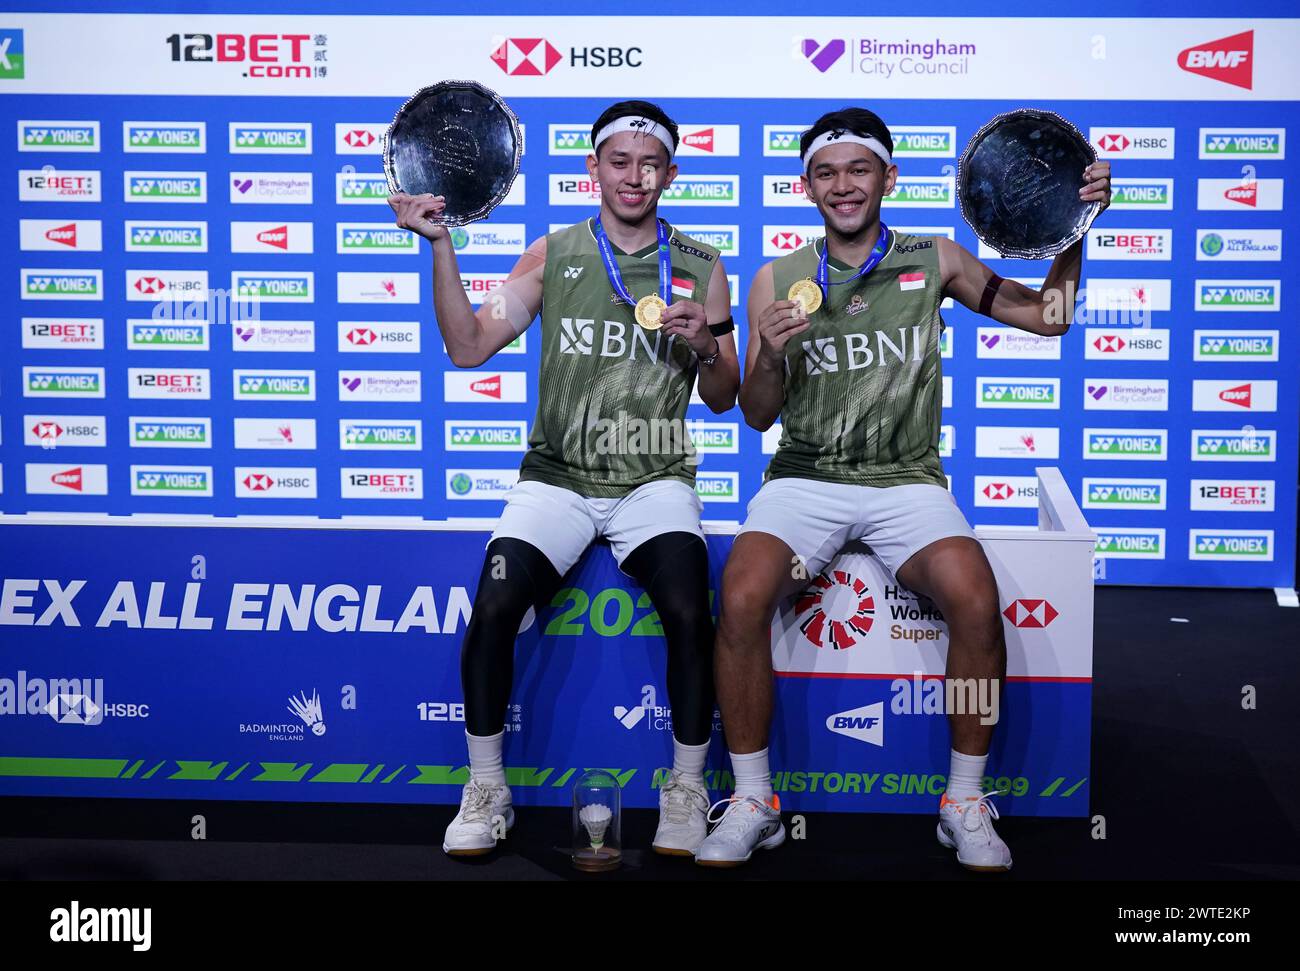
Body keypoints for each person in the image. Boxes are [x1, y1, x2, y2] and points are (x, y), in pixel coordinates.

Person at [697, 106, 1110, 869]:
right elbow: (756, 417)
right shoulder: (775, 277)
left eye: (859, 170)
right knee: (744, 595)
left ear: (889, 177)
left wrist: (1072, 228)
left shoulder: (937, 258)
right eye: (826, 173)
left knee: (976, 600)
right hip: (806, 481)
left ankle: (962, 800)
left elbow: (1050, 319)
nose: (843, 186)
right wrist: (771, 356)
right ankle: (754, 798)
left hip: (906, 484)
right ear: (805, 186)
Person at [389, 99, 740, 858]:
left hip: (655, 480)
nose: (635, 177)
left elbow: (727, 396)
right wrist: (440, 246)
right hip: (557, 477)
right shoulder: (553, 253)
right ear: (594, 168)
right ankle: (485, 789)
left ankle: (685, 790)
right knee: (492, 608)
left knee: (690, 609)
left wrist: (704, 347)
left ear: (671, 173)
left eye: (651, 164)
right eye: (620, 161)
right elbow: (469, 345)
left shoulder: (704, 266)